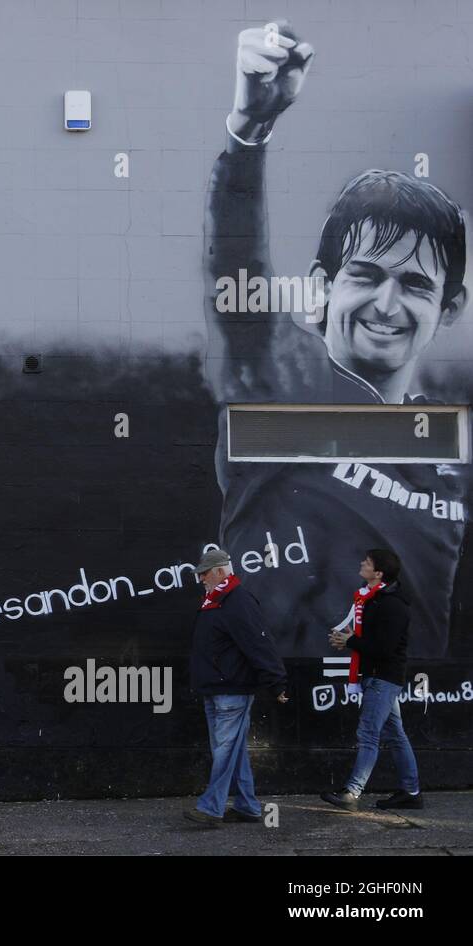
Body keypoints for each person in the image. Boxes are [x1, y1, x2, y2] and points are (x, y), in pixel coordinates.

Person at [205, 21, 469, 660]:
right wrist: (249, 130)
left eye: (413, 285)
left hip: (404, 717)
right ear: (321, 287)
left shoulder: (454, 449)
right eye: (366, 276)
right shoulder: (281, 379)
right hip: (280, 710)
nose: (386, 304)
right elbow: (239, 272)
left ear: (449, 308)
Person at [186, 548, 289, 827]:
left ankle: (211, 807)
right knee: (233, 749)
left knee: (225, 749)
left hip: (231, 688)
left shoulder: (235, 600)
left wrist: (277, 680)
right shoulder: (219, 599)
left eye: (204, 573)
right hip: (218, 687)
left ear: (220, 571)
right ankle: (247, 806)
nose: (201, 579)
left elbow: (259, 641)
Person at [321, 549, 422, 811]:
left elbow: (385, 648)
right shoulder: (374, 600)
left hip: (382, 679)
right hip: (378, 676)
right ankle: (411, 792)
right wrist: (349, 640)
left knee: (368, 733)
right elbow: (373, 641)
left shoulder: (392, 604)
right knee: (396, 736)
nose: (362, 564)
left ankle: (352, 792)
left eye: (367, 563)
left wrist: (351, 641)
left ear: (378, 573)